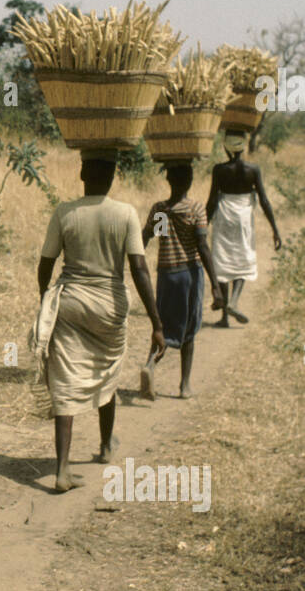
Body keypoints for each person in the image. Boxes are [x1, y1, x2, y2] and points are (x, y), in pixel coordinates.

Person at [32, 154, 166, 492]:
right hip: (110, 306)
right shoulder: (124, 214)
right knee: (107, 373)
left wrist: (44, 297)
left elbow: (45, 263)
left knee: (64, 383)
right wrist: (156, 322)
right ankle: (106, 446)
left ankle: (62, 470)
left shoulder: (65, 212)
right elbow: (138, 268)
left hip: (71, 302)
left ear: (81, 173)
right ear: (112, 179)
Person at [140, 161, 220, 399]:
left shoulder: (160, 209)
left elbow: (145, 236)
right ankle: (184, 385)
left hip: (166, 274)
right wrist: (215, 284)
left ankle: (150, 366)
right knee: (189, 330)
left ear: (169, 181)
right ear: (190, 181)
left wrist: (137, 262)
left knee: (161, 324)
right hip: (189, 274)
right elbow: (202, 247)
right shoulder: (196, 209)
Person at [206, 132, 282, 326]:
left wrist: (203, 225)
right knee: (243, 256)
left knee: (222, 260)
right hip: (244, 217)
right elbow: (264, 200)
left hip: (224, 215)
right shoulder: (253, 169)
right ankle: (234, 301)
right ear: (242, 147)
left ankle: (224, 316)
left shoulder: (219, 170)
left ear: (226, 148)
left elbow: (213, 199)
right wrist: (275, 229)